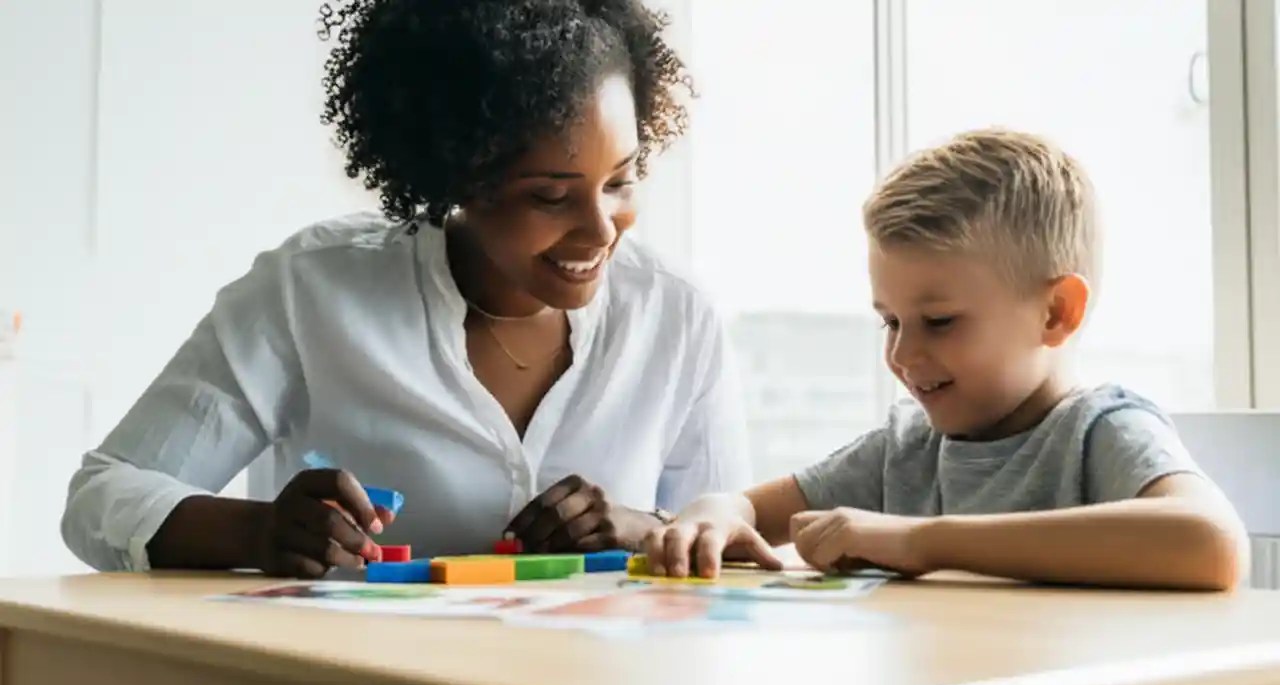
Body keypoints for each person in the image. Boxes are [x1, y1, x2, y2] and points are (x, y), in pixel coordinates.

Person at [61, 0, 751, 578]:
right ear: (457, 176)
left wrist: (644, 528)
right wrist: (261, 532)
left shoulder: (676, 316)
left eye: (622, 181)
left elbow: (730, 539)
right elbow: (102, 497)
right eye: (549, 196)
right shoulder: (311, 292)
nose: (602, 228)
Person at [643, 129, 1248, 591]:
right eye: (890, 320)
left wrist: (922, 542)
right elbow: (750, 509)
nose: (903, 354)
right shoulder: (906, 449)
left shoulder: (1097, 432)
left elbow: (1213, 543)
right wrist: (715, 511)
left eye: (940, 322)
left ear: (1056, 313)